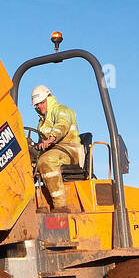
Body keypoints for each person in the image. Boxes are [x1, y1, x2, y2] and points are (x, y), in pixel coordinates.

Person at [30, 85, 82, 213]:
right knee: (29, 165)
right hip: (54, 151)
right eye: (37, 104)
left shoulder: (61, 110)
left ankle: (60, 206)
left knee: (47, 161)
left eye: (42, 102)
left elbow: (62, 125)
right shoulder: (41, 121)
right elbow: (42, 142)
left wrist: (51, 139)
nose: (39, 106)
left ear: (48, 98)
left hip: (70, 150)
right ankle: (35, 205)